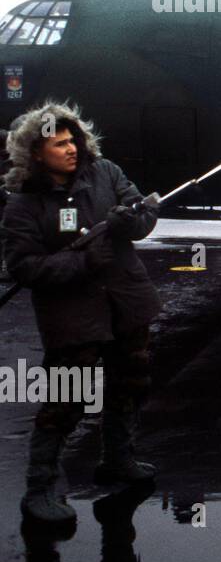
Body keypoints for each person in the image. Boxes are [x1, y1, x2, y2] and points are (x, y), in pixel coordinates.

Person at [2, 102, 161, 525]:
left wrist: (132, 221)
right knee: (65, 402)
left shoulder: (105, 173)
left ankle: (118, 460)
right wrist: (83, 262)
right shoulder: (23, 205)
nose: (71, 149)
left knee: (131, 383)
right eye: (59, 144)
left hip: (125, 304)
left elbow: (143, 216)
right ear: (36, 153)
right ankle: (39, 490)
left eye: (73, 140)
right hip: (73, 319)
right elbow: (24, 267)